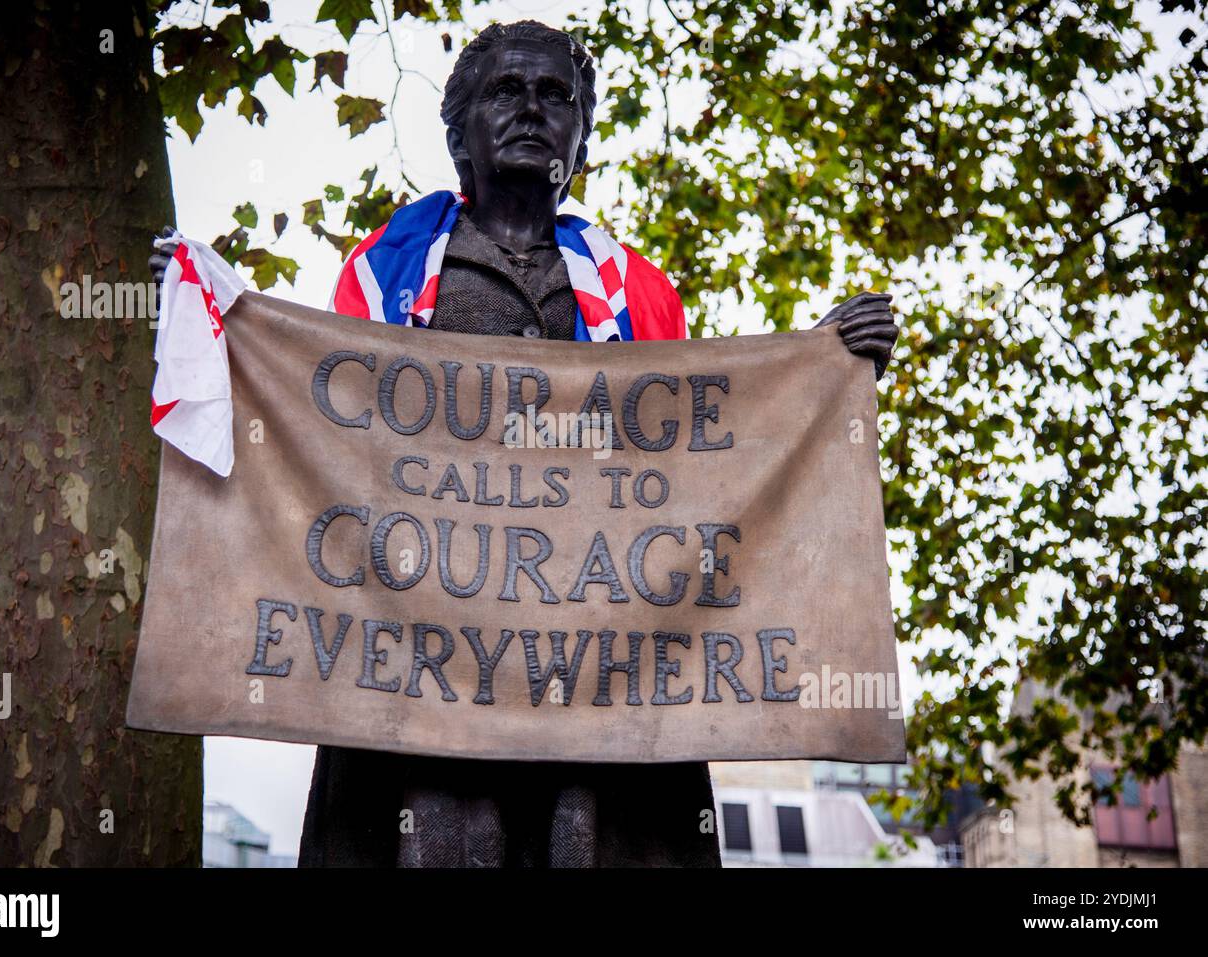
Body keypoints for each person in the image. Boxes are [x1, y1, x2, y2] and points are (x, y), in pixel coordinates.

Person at [149, 19, 898, 867]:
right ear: (460, 126)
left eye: (557, 97)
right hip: (421, 668)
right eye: (507, 91)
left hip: (598, 681)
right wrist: (209, 329)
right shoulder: (387, 277)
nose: (533, 110)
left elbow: (715, 456)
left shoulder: (637, 295)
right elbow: (308, 435)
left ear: (578, 138)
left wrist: (822, 361)